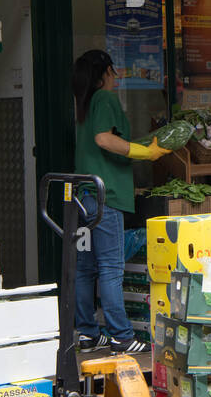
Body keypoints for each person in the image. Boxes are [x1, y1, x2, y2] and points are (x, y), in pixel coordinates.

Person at [72, 50, 169, 355]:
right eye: (113, 72)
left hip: (85, 194)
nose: (115, 78)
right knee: (112, 267)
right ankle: (122, 337)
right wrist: (145, 153)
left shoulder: (85, 103)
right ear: (106, 73)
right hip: (106, 197)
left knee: (86, 268)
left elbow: (96, 147)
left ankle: (87, 334)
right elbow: (104, 139)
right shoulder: (105, 99)